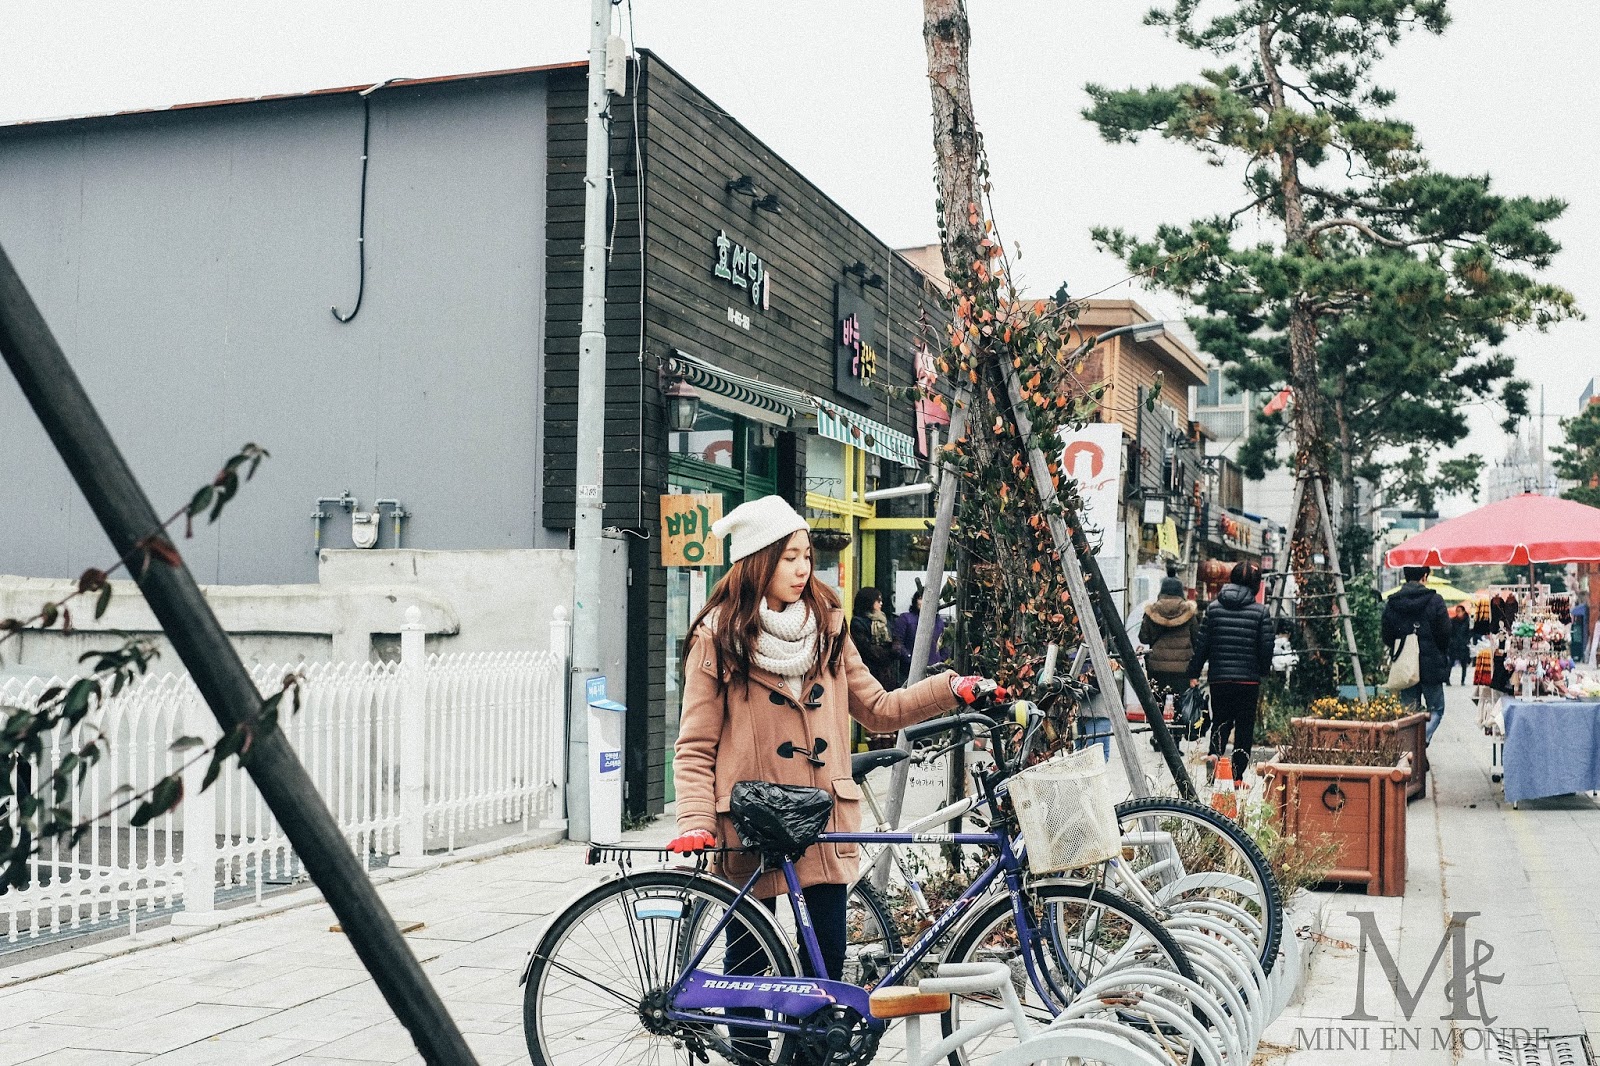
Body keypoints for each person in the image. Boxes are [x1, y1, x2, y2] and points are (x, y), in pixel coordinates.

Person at [667, 495, 980, 1007]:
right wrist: (695, 821)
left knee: (827, 965)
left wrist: (949, 689)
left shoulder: (829, 627)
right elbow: (696, 745)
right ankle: (751, 1059)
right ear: (757, 560)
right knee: (748, 962)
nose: (802, 568)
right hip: (752, 820)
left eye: (806, 556)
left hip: (824, 818)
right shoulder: (718, 637)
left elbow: (878, 708)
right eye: (789, 557)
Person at [1187, 561, 1274, 783]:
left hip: (1220, 679)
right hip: (1248, 681)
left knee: (1221, 721)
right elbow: (1266, 647)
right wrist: (1263, 671)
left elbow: (1202, 645)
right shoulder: (1260, 612)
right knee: (1244, 727)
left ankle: (1215, 755)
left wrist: (1194, 673)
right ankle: (1237, 777)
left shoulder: (1214, 609)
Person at [1382, 564, 1452, 743]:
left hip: (1405, 665)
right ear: (1425, 576)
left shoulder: (1393, 603)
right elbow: (1445, 633)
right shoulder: (1435, 600)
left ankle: (1411, 747)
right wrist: (1438, 651)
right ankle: (1421, 741)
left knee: (1408, 712)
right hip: (1432, 665)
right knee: (1436, 708)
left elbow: (1386, 635)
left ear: (1405, 577)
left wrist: (1401, 646)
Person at [1139, 576, 1199, 699]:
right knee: (1181, 710)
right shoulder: (1189, 613)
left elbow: (1143, 638)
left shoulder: (1152, 611)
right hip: (1182, 670)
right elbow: (1196, 639)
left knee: (1156, 709)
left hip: (1156, 668)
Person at [850, 586, 905, 690]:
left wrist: (895, 649)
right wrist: (888, 653)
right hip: (869, 670)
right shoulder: (858, 622)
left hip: (887, 673)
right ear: (869, 601)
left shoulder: (883, 619)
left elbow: (894, 637)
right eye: (878, 600)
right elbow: (865, 647)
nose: (881, 604)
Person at [893, 587, 947, 679]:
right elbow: (898, 642)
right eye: (921, 598)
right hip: (910, 671)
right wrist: (909, 658)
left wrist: (941, 660)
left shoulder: (939, 621)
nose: (924, 601)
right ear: (915, 601)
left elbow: (945, 644)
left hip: (935, 670)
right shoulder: (905, 618)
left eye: (928, 598)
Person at [1447, 604, 1472, 686]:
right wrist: (1451, 641)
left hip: (1463, 645)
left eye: (1459, 611)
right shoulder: (1453, 621)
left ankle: (1462, 680)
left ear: (1463, 612)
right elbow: (1450, 632)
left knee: (1464, 664)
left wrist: (1466, 641)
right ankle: (1447, 679)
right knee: (1451, 662)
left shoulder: (1468, 621)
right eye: (1457, 611)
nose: (1458, 613)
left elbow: (1469, 632)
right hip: (1454, 645)